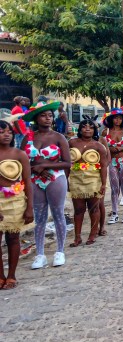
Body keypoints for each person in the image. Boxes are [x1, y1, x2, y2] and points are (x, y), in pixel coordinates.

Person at [22, 101, 71, 269]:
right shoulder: (28, 138)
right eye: (43, 115)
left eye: (50, 115)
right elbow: (22, 162)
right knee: (39, 217)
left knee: (58, 213)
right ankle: (40, 254)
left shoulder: (58, 137)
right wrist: (37, 170)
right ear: (36, 118)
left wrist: (45, 167)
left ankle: (59, 251)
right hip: (35, 180)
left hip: (55, 178)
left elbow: (67, 163)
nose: (48, 118)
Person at [0, 120, 34, 289]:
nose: (7, 135)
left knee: (13, 237)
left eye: (9, 132)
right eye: (2, 131)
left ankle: (11, 275)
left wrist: (29, 207)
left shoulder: (19, 154)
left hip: (15, 200)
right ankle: (0, 276)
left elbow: (27, 181)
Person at [68, 117, 108, 247]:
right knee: (78, 209)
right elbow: (65, 161)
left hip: (93, 180)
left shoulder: (98, 146)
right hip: (76, 179)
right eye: (84, 126)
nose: (87, 129)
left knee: (93, 208)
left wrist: (103, 184)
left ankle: (92, 234)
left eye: (90, 127)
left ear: (94, 130)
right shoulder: (72, 143)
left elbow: (103, 166)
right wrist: (66, 179)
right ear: (79, 129)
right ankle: (77, 237)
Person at [102, 109, 123, 225]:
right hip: (112, 162)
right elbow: (101, 147)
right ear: (111, 119)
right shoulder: (106, 132)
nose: (118, 120)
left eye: (120, 118)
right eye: (115, 118)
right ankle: (114, 213)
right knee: (114, 188)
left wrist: (121, 149)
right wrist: (108, 149)